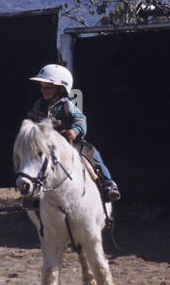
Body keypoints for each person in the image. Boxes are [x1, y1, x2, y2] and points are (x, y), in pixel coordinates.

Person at [27, 63, 121, 202]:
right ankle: (31, 192)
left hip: (68, 143)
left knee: (92, 153)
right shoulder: (39, 104)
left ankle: (108, 185)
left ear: (60, 88)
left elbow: (80, 119)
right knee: (30, 159)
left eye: (48, 87)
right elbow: (32, 118)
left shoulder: (67, 106)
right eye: (42, 87)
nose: (43, 90)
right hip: (46, 144)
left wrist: (74, 131)